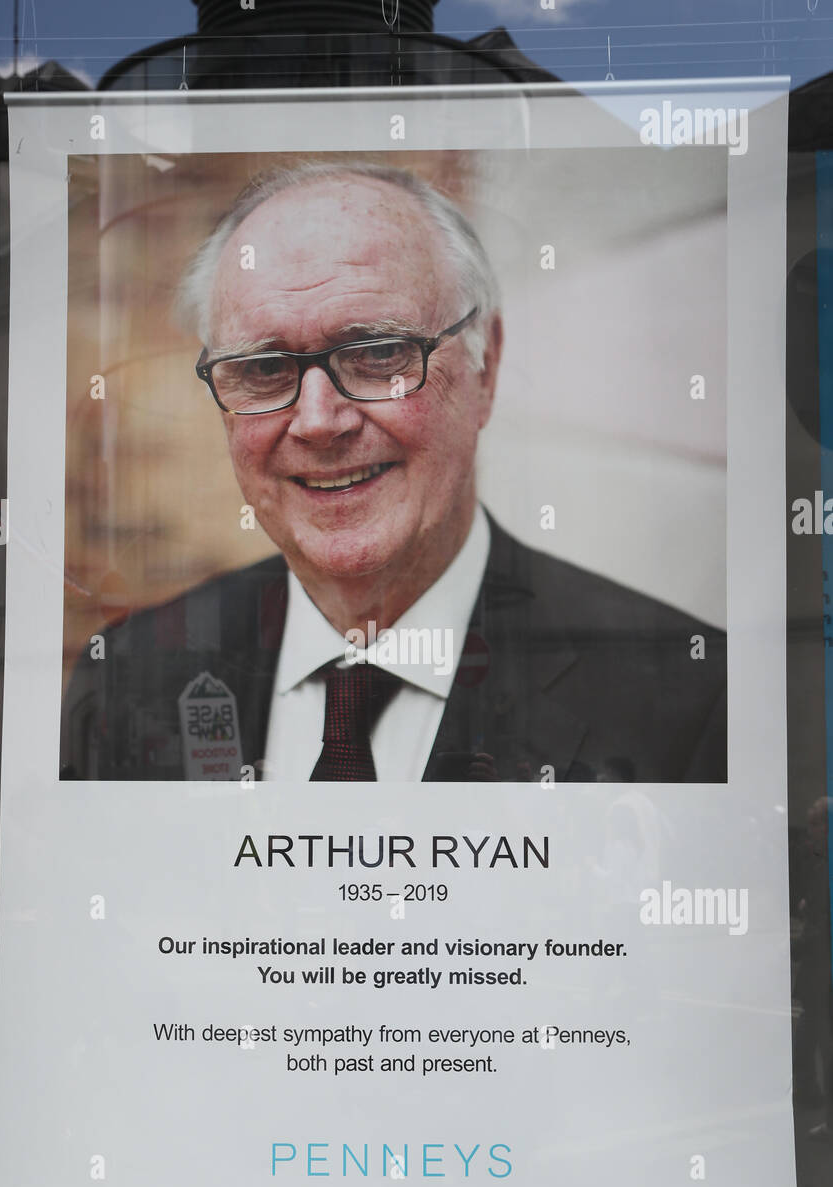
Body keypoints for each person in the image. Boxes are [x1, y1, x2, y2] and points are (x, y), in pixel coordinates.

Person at [61, 160, 726, 785]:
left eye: (378, 352)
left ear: (484, 366)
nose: (319, 421)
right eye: (264, 368)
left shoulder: (687, 695)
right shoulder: (125, 680)